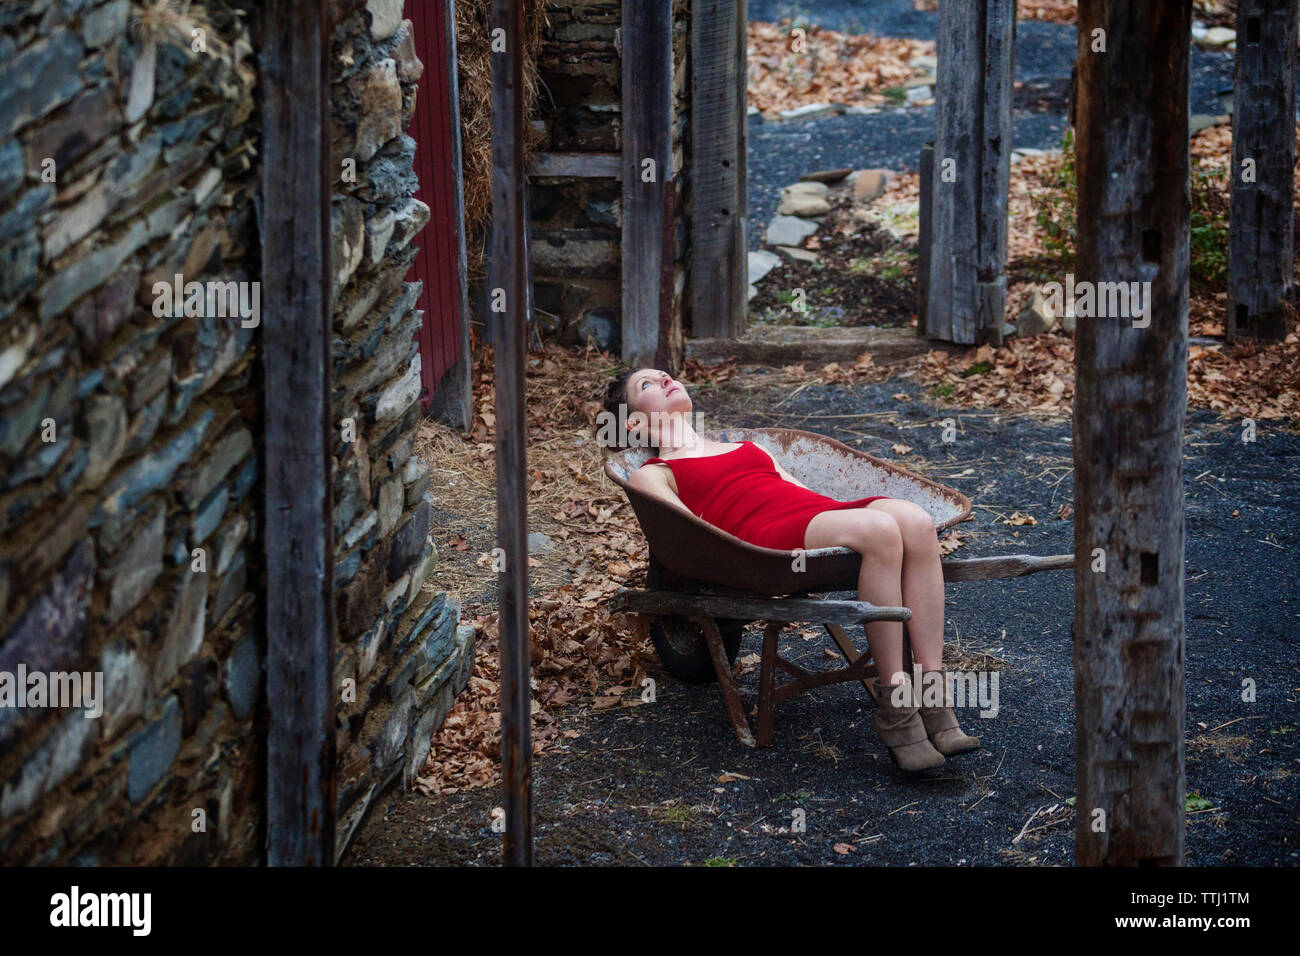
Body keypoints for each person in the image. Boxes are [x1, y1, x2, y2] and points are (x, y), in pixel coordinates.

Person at [602, 367, 980, 773]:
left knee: (918, 522)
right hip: (759, 536)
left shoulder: (750, 447)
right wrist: (740, 556)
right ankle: (898, 711)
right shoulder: (652, 473)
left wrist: (844, 516)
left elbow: (801, 493)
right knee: (882, 529)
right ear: (636, 422)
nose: (664, 380)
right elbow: (689, 534)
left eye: (664, 375)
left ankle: (934, 694)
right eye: (648, 385)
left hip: (804, 515)